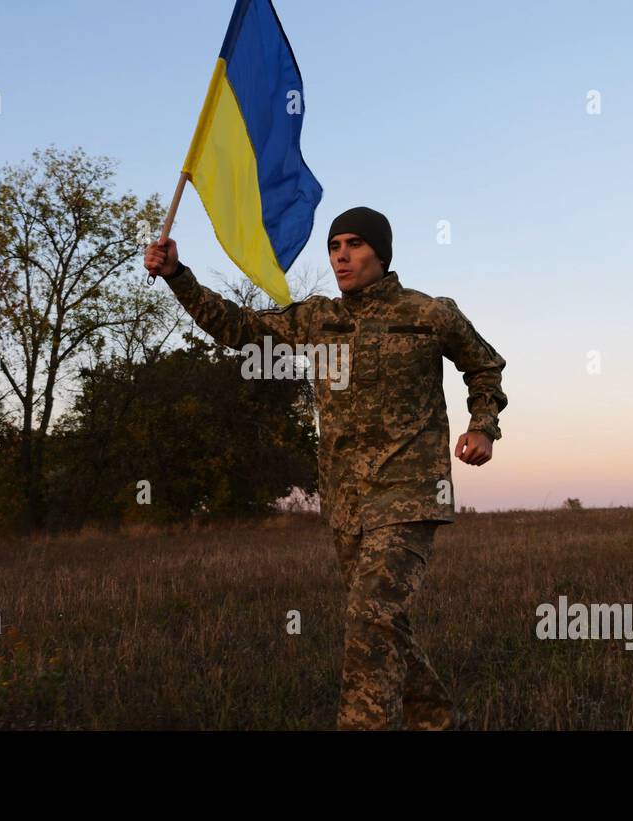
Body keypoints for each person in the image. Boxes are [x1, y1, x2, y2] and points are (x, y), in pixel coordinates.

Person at [144, 206, 507, 730]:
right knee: (382, 626)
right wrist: (179, 277)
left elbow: (485, 365)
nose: (341, 255)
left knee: (370, 617)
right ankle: (441, 721)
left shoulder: (429, 313)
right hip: (346, 504)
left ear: (381, 253)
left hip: (409, 493)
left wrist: (482, 426)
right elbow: (241, 329)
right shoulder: (318, 320)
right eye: (335, 246)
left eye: (355, 244)